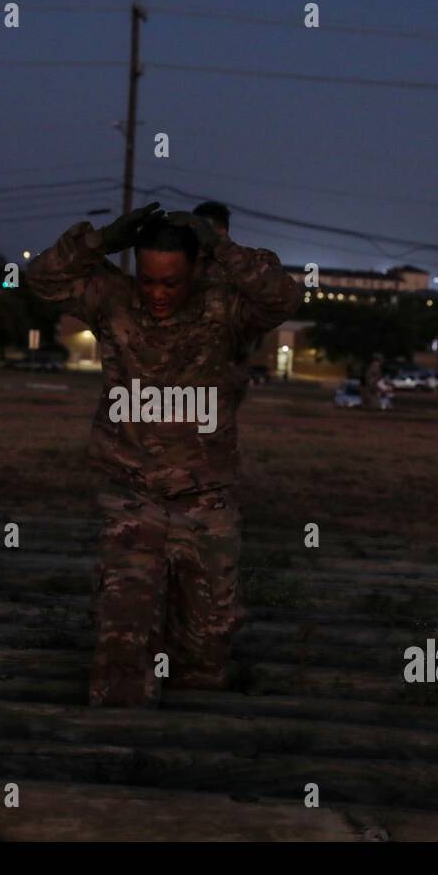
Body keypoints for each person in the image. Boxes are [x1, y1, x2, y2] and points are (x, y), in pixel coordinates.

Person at [27, 203, 302, 707]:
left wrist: (221, 247)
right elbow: (41, 279)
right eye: (148, 280)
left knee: (205, 651)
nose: (157, 294)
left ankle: (192, 749)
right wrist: (101, 241)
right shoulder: (112, 298)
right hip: (131, 497)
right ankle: (117, 757)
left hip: (204, 499)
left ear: (196, 270)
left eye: (171, 283)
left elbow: (283, 296)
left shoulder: (225, 308)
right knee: (122, 645)